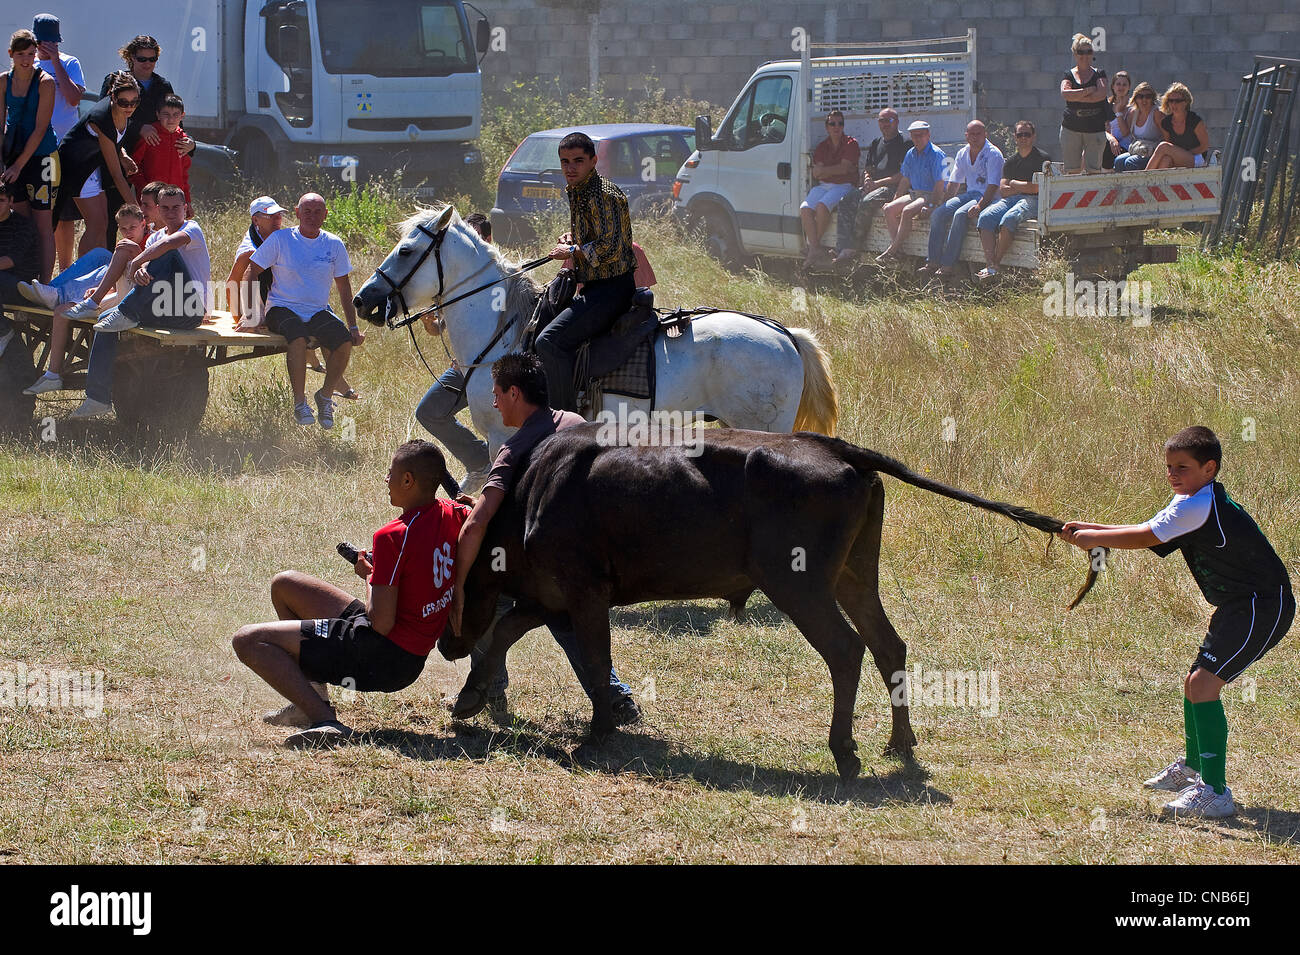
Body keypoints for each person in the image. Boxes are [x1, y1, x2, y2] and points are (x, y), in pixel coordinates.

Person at [1060, 427, 1293, 819]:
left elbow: (1147, 536)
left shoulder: (1197, 506)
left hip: (1261, 607)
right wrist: (1092, 530)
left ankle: (1216, 793)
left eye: (1182, 467)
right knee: (1193, 682)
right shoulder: (1189, 498)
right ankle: (1194, 768)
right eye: (1169, 467)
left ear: (1209, 468)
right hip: (1237, 606)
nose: (1172, 474)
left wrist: (1092, 538)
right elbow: (1149, 531)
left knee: (1203, 684)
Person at [233, 440, 472, 747]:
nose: (386, 480)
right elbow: (468, 523)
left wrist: (370, 576)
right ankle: (312, 697)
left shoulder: (393, 536)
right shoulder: (454, 513)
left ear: (408, 480)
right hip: (408, 653)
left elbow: (380, 622)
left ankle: (326, 722)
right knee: (285, 585)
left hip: (382, 656)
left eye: (391, 473)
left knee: (248, 640)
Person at [448, 352, 641, 723]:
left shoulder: (515, 449)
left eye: (497, 393)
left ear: (515, 394)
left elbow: (476, 524)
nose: (494, 402)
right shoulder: (579, 424)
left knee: (489, 598)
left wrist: (458, 584)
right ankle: (615, 696)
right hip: (597, 556)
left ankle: (489, 689)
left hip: (543, 561)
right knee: (569, 615)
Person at [70, 185, 209, 418]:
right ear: (158, 209)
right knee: (105, 320)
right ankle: (97, 398)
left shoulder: (191, 228)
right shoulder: (155, 236)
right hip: (161, 306)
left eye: (176, 207)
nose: (171, 212)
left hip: (189, 310)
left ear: (185, 208)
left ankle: (126, 310)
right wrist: (141, 270)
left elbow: (166, 247)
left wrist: (137, 263)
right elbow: (150, 262)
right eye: (165, 207)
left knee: (167, 253)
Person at [535, 131, 636, 413]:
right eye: (565, 161)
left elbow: (612, 247)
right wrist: (573, 238)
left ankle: (565, 424)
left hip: (612, 290)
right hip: (595, 287)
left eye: (578, 160)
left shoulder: (603, 194)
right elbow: (597, 234)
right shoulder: (580, 190)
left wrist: (571, 251)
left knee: (549, 342)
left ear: (594, 160)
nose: (570, 168)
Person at [247, 192, 362, 428]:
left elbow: (344, 287)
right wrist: (253, 313)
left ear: (326, 215)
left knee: (343, 342)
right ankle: (300, 403)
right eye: (306, 211)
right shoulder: (281, 239)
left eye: (317, 211)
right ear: (297, 213)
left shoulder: (334, 243)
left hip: (317, 310)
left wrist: (353, 326)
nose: (312, 216)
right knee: (297, 338)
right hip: (282, 307)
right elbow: (253, 270)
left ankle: (325, 395)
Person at [22, 203, 151, 395]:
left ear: (143, 224)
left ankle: (57, 295)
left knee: (67, 306)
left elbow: (139, 279)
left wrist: (102, 291)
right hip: (120, 293)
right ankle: (52, 374)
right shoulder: (131, 242)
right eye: (123, 229)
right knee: (99, 256)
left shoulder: (148, 242)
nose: (127, 232)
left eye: (132, 227)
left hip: (134, 299)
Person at [415, 212, 495, 483]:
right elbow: (439, 328)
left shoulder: (498, 274)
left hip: (496, 369)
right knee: (430, 412)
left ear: (487, 239)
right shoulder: (455, 280)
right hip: (464, 368)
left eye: (475, 238)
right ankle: (480, 462)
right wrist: (430, 323)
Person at [51, 71, 139, 256]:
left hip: (92, 165)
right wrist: (138, 210)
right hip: (76, 167)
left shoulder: (122, 111)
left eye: (134, 102)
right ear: (112, 96)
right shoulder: (102, 118)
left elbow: (114, 143)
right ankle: (81, 275)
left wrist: (122, 154)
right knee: (96, 223)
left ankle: (95, 275)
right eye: (124, 102)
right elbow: (116, 175)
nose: (129, 107)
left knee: (103, 222)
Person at [2, 29, 58, 282]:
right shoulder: (4, 80)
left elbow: (40, 128)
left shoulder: (45, 82)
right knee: (21, 221)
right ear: (11, 54)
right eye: (21, 54)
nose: (26, 60)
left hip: (42, 156)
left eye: (31, 54)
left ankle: (44, 285)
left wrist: (19, 166)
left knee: (43, 224)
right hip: (13, 153)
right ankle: (21, 279)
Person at [33, 14, 85, 271]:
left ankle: (64, 269)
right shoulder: (26, 64)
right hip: (36, 147)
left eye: (52, 42)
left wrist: (55, 61)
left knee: (64, 214)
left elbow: (74, 98)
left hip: (65, 146)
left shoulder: (69, 62)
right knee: (40, 210)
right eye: (42, 41)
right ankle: (40, 269)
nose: (46, 46)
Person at [921, 120, 1003, 278]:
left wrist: (979, 206)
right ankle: (932, 261)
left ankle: (947, 265)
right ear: (966, 136)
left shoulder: (993, 154)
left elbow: (993, 186)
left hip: (987, 197)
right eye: (971, 134)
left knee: (960, 214)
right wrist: (944, 205)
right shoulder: (963, 153)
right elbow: (954, 183)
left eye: (978, 133)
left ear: (985, 134)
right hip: (970, 193)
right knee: (938, 213)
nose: (975, 137)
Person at [831, 107, 908, 267]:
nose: (885, 124)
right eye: (881, 120)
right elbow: (868, 168)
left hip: (893, 187)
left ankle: (853, 248)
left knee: (867, 201)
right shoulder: (876, 143)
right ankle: (841, 247)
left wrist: (876, 184)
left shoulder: (905, 143)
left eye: (889, 120)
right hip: (874, 185)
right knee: (846, 200)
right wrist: (867, 180)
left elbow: (903, 175)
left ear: (897, 122)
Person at [975, 120, 1052, 279]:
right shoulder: (1010, 161)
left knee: (1009, 218)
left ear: (1033, 137)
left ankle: (996, 262)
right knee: (985, 217)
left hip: (1035, 200)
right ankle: (990, 265)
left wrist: (1015, 183)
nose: (1023, 138)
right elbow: (1003, 190)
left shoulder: (1043, 159)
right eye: (1020, 134)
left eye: (1027, 134)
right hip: (1012, 198)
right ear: (1015, 137)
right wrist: (1024, 186)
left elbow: (1036, 189)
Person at [875, 120, 947, 265]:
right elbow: (905, 179)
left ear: (928, 135)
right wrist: (896, 198)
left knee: (907, 211)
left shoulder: (937, 154)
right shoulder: (911, 153)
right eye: (914, 136)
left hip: (929, 195)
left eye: (920, 135)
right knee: (888, 208)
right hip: (915, 193)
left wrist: (932, 205)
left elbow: (940, 185)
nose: (917, 139)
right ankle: (899, 252)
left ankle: (891, 251)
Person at [800, 109, 860, 268]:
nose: (836, 127)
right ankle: (815, 248)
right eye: (832, 123)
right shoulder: (822, 146)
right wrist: (834, 170)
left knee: (821, 206)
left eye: (840, 123)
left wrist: (826, 170)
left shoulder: (851, 143)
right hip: (824, 185)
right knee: (805, 209)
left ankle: (813, 248)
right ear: (827, 127)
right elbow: (816, 173)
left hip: (845, 185)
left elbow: (844, 170)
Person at [1059, 33, 1109, 174]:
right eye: (1081, 52)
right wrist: (1088, 90)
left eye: (1088, 52)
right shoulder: (1068, 75)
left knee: (1093, 171)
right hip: (1071, 128)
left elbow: (1100, 95)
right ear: (1075, 54)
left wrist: (1077, 96)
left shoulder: (1099, 74)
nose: (1085, 55)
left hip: (1095, 128)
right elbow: (1065, 93)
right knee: (1071, 171)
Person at [0, 182, 39, 358]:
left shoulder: (23, 225)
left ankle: (3, 330)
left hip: (21, 286)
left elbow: (10, 261)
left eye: (0, 200)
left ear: (11, 201)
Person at [128, 93, 190, 204]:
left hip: (175, 201)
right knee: (151, 222)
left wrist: (187, 201)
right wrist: (145, 189)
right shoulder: (151, 135)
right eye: (166, 114)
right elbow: (133, 166)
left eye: (176, 114)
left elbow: (184, 175)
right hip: (151, 200)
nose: (171, 119)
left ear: (182, 115)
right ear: (158, 115)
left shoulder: (183, 141)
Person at [1147, 82, 1210, 170]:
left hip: (1196, 158)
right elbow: (1170, 145)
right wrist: (1178, 154)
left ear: (1185, 102)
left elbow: (1205, 145)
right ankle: (1155, 183)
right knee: (1166, 159)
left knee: (1163, 146)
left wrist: (1184, 153)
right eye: (1171, 101)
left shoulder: (1194, 120)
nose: (1174, 104)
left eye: (1177, 101)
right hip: (1178, 158)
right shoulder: (1166, 123)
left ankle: (1144, 177)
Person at [1113, 82, 1164, 172]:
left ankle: (1137, 186)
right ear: (1136, 99)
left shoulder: (1156, 114)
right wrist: (1118, 112)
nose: (1144, 100)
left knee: (1130, 162)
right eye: (1140, 97)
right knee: (1118, 161)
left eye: (1148, 97)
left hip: (1153, 152)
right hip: (1138, 150)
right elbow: (1125, 133)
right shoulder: (1133, 113)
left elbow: (1167, 136)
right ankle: (1122, 186)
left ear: (1153, 99)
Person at [1103, 69, 1133, 170]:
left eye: (1124, 84)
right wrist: (1111, 138)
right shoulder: (1107, 105)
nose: (1121, 87)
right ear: (1113, 86)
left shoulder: (1132, 107)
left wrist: (1118, 111)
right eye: (1118, 84)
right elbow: (1102, 129)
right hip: (1110, 143)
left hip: (1124, 147)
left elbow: (1125, 133)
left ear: (1129, 87)